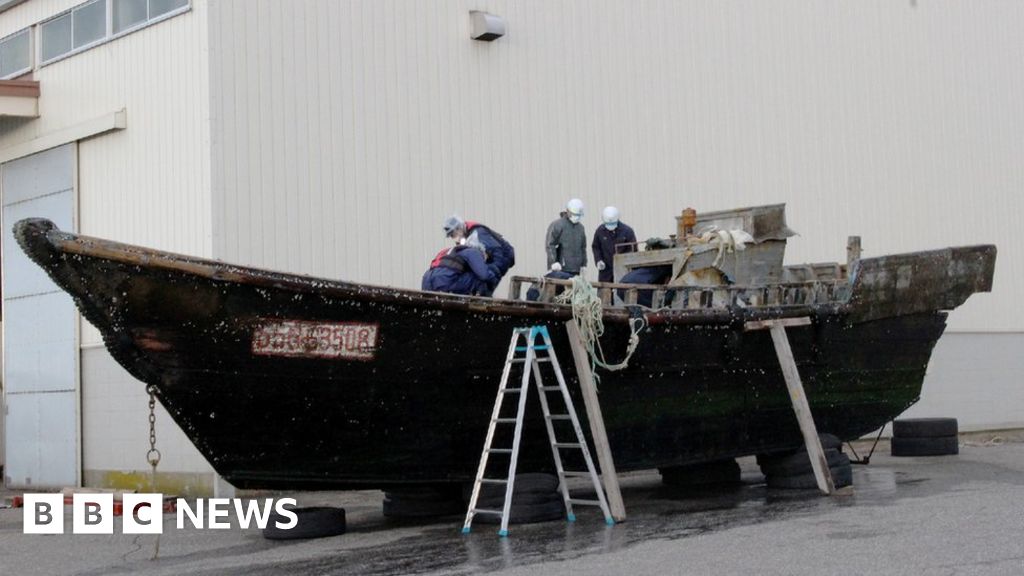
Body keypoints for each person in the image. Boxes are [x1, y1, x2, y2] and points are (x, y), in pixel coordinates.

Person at [441, 215, 515, 296]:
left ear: (459, 228)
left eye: (453, 234)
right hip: (493, 258)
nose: (454, 238)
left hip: (502, 257)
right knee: (480, 275)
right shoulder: (465, 236)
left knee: (486, 280)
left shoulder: (478, 233)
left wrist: (495, 271)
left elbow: (497, 251)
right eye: (452, 236)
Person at [422, 239, 497, 296]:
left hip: (427, 281)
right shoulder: (473, 251)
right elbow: (484, 275)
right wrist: (494, 279)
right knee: (480, 279)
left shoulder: (453, 251)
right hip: (445, 281)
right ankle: (482, 304)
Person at [591, 206, 637, 283]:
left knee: (621, 291)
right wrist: (599, 260)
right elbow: (596, 247)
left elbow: (633, 250)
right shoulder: (600, 231)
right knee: (604, 292)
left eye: (612, 223)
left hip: (623, 270)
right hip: (606, 271)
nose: (610, 225)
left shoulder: (627, 231)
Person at [545, 198, 587, 276]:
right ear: (568, 211)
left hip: (576, 269)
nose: (576, 217)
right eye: (575, 215)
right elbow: (550, 244)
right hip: (560, 269)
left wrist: (584, 264)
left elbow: (583, 247)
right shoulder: (557, 225)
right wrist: (553, 262)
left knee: (574, 287)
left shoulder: (580, 228)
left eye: (578, 215)